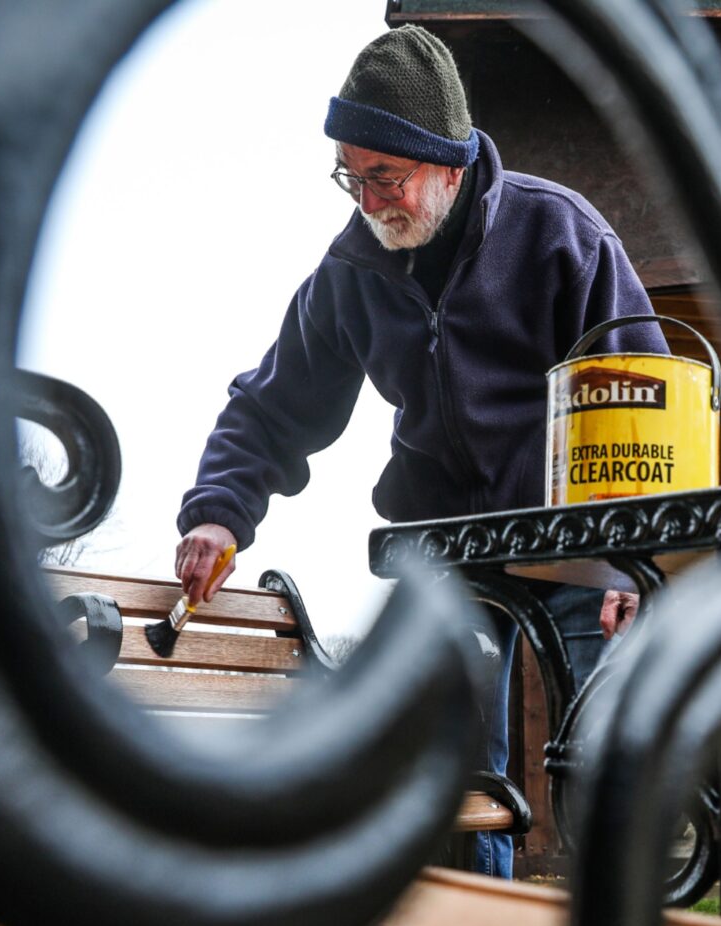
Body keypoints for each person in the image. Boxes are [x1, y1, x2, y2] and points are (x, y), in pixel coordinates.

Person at [175, 24, 663, 878]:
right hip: (445, 547)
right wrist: (219, 512)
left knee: (601, 756)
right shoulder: (351, 273)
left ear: (446, 160)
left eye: (384, 177)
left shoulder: (563, 237)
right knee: (454, 771)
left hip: (571, 539)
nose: (367, 200)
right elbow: (272, 405)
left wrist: (629, 559)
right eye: (350, 178)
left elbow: (638, 401)